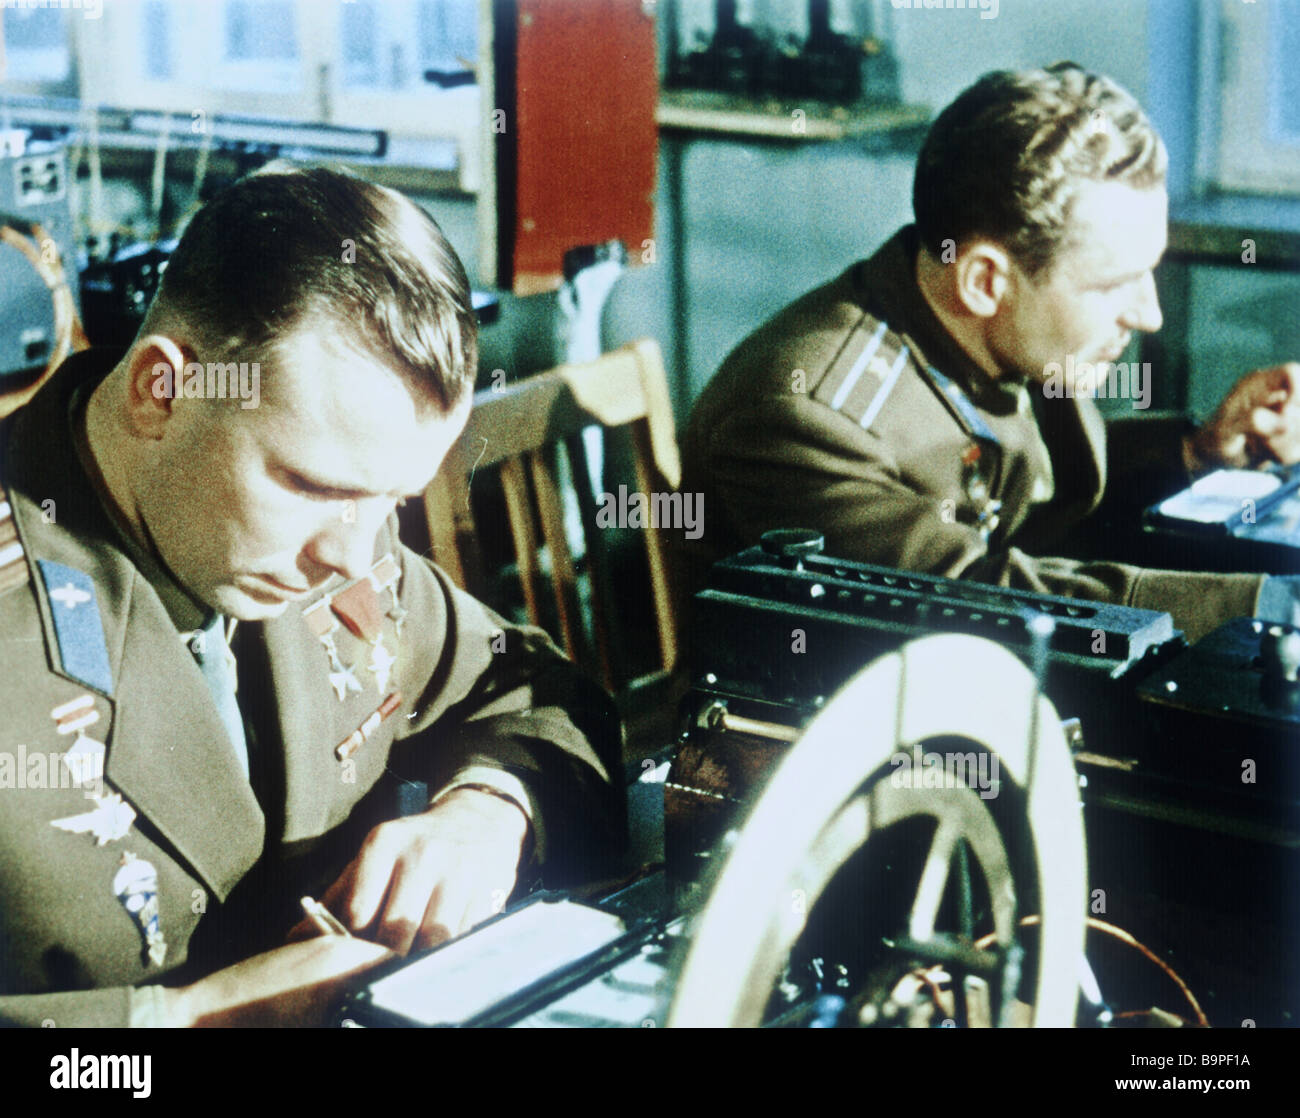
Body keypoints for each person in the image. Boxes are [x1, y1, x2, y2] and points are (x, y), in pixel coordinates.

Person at [0, 165, 624, 1027]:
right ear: (161, 392)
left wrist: (488, 809)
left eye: (391, 502)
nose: (352, 553)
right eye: (311, 485)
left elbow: (530, 685)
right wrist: (180, 1025)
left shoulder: (327, 536)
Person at [679, 63, 1300, 642]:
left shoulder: (983, 334)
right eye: (1112, 283)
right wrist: (1266, 609)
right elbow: (972, 601)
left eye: (1149, 273)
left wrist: (1196, 453)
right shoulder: (806, 418)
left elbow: (1038, 503)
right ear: (983, 282)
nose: (1149, 314)